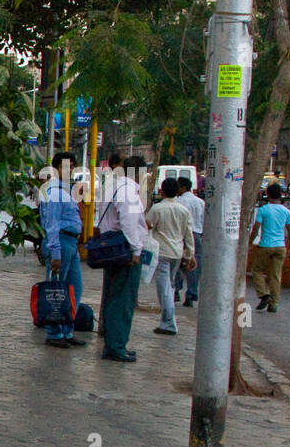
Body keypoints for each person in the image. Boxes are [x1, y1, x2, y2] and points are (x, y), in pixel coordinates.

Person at [96, 153, 150, 363]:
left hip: (111, 248)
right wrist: (136, 251)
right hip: (124, 250)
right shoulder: (129, 192)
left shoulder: (113, 187)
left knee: (113, 296)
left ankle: (114, 343)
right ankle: (116, 345)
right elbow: (128, 223)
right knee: (123, 300)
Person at [38, 152, 86, 348]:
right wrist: (55, 253)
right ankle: (54, 333)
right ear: (56, 168)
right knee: (56, 290)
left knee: (74, 289)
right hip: (61, 243)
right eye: (67, 166)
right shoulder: (55, 192)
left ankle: (67, 330)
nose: (71, 170)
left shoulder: (66, 192)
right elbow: (51, 225)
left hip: (72, 244)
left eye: (73, 166)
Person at [146, 178, 195, 336]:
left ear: (162, 191)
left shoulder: (157, 208)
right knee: (170, 285)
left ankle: (168, 323)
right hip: (177, 253)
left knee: (164, 288)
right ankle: (168, 321)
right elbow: (189, 234)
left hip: (162, 252)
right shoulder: (183, 210)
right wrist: (190, 254)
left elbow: (146, 225)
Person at [252, 182, 290, 312]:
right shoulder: (286, 211)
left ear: (267, 194)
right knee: (275, 276)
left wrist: (250, 242)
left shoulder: (264, 210)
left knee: (256, 270)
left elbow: (256, 228)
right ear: (281, 195)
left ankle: (263, 294)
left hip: (265, 245)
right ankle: (274, 304)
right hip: (280, 246)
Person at [173, 175, 205, 307]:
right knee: (193, 265)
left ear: (183, 187)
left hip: (181, 235)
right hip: (196, 234)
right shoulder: (200, 202)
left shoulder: (178, 202)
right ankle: (191, 294)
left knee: (177, 262)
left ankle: (176, 289)